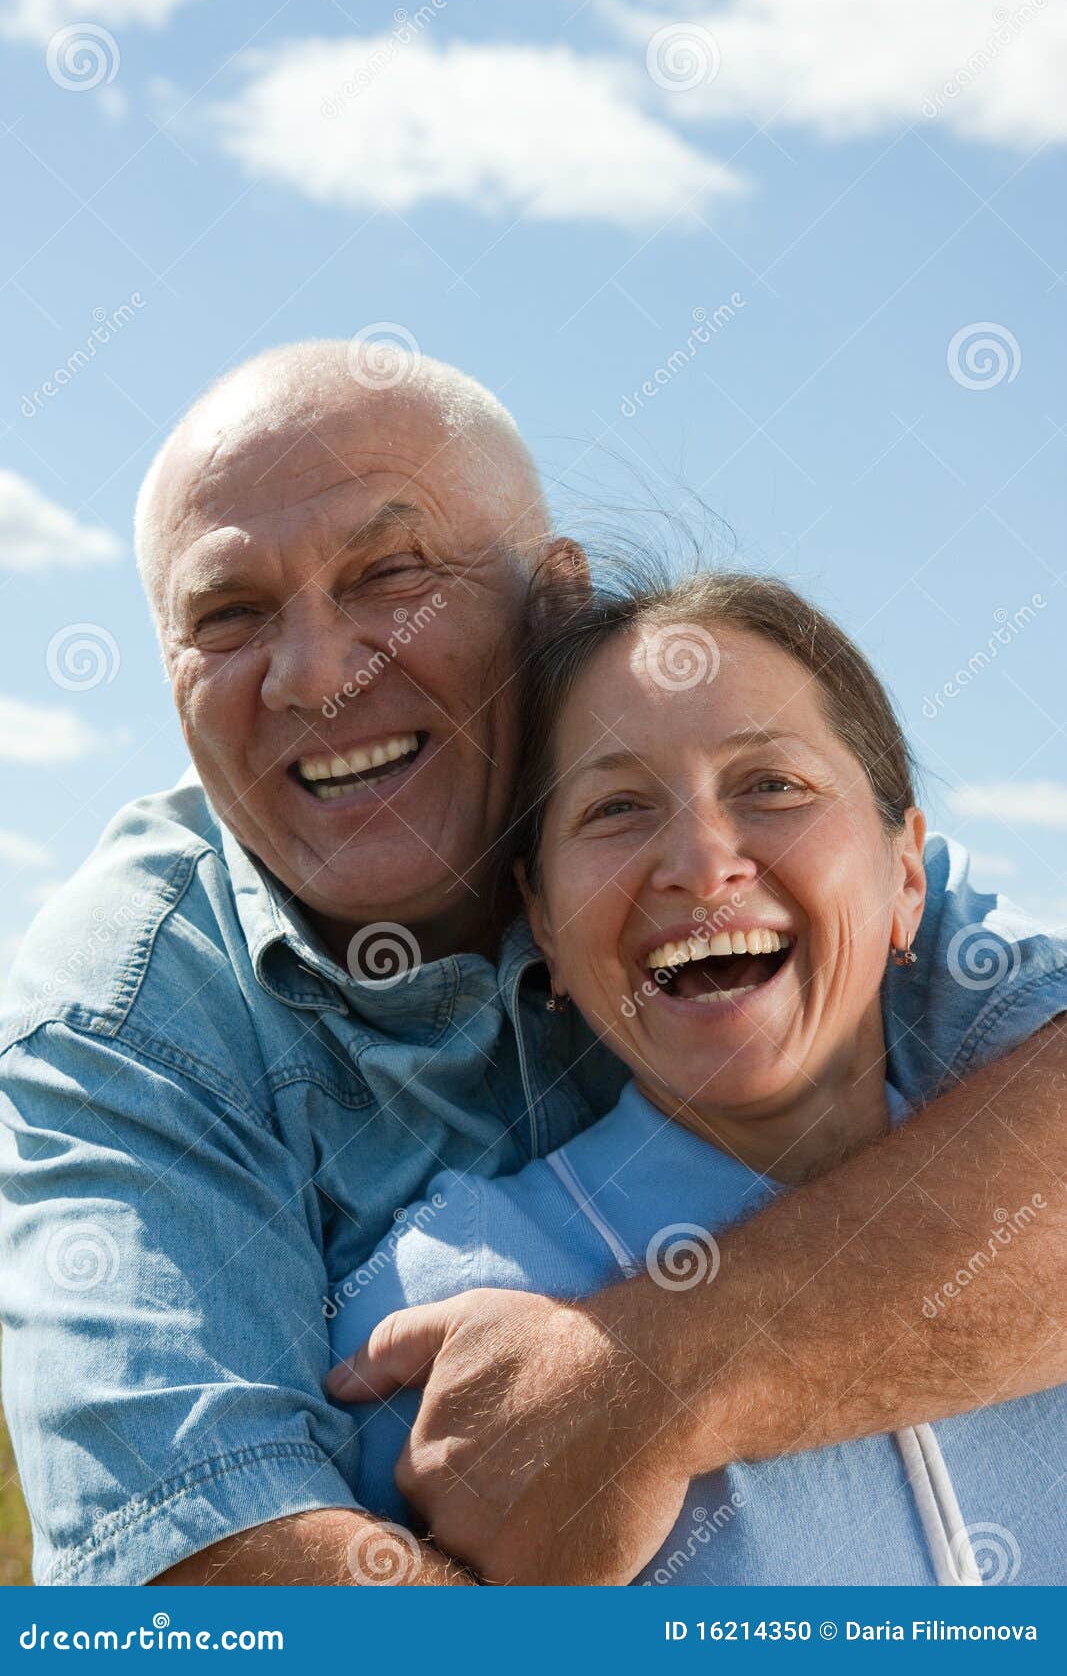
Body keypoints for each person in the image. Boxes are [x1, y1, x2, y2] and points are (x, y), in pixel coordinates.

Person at [0, 342, 1064, 1588]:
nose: (313, 673)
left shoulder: (771, 843)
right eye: (227, 616)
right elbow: (201, 1576)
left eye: (388, 575)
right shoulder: (116, 1017)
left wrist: (649, 1381)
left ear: (552, 597)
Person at [328, 564, 1067, 1586]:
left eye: (771, 785)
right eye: (617, 806)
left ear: (904, 879)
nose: (698, 857)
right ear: (540, 920)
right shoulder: (441, 1301)